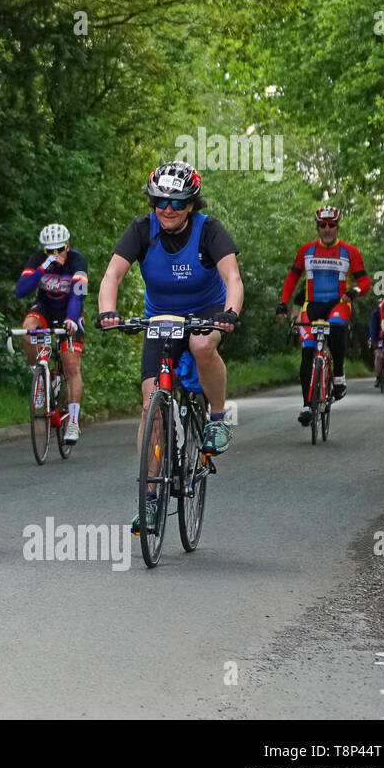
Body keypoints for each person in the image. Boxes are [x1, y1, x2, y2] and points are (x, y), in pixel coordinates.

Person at [95, 161, 242, 534]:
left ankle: (219, 419)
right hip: (161, 316)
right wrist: (108, 312)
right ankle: (149, 496)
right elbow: (112, 274)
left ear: (192, 204)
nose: (168, 209)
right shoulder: (142, 230)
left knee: (201, 344)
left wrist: (229, 313)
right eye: (160, 201)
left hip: (207, 312)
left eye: (178, 203)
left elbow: (232, 278)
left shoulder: (209, 231)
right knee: (151, 407)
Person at [275, 206, 370, 424]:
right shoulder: (306, 250)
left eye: (331, 225)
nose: (327, 229)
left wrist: (353, 291)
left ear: (338, 227)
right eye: (322, 225)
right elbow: (292, 278)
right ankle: (307, 406)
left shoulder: (350, 251)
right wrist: (283, 302)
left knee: (336, 327)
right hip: (312, 305)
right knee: (307, 353)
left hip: (338, 304)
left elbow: (364, 282)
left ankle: (338, 375)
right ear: (317, 227)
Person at [14, 223, 88, 443]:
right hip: (45, 308)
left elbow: (78, 294)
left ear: (68, 245)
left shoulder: (77, 261)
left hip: (70, 311)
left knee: (71, 363)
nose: (56, 255)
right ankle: (40, 375)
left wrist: (71, 320)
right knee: (28, 330)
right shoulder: (39, 259)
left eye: (60, 249)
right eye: (49, 250)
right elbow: (20, 290)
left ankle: (73, 422)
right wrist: (42, 267)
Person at [368, 303, 384, 387]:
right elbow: (372, 328)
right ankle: (378, 376)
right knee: (378, 355)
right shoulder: (375, 314)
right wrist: (372, 339)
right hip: (378, 336)